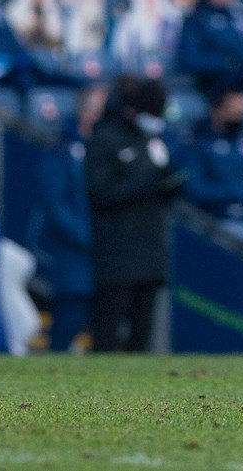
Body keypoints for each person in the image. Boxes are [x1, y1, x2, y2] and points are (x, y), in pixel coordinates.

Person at [86, 77, 182, 352]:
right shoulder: (105, 139)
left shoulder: (153, 142)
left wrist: (171, 183)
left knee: (142, 331)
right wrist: (148, 183)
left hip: (150, 249)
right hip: (116, 251)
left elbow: (163, 190)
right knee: (108, 328)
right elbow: (100, 192)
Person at [37, 84, 103, 352]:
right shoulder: (62, 150)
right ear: (85, 113)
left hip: (108, 264)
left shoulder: (107, 150)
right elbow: (56, 204)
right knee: (66, 330)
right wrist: (89, 236)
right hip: (74, 260)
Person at [182, 89, 243, 221]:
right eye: (234, 113)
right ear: (216, 111)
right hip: (216, 217)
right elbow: (196, 190)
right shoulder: (197, 146)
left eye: (242, 114)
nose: (239, 118)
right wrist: (235, 192)